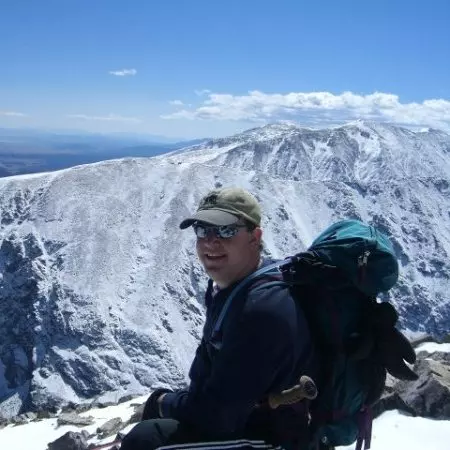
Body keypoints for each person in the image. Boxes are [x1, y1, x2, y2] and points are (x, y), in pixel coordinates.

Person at [120, 187, 318, 450]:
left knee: (146, 441)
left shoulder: (261, 310)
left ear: (254, 237)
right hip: (245, 420)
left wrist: (163, 403)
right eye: (202, 230)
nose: (210, 241)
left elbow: (220, 416)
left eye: (226, 230)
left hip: (276, 439)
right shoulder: (232, 288)